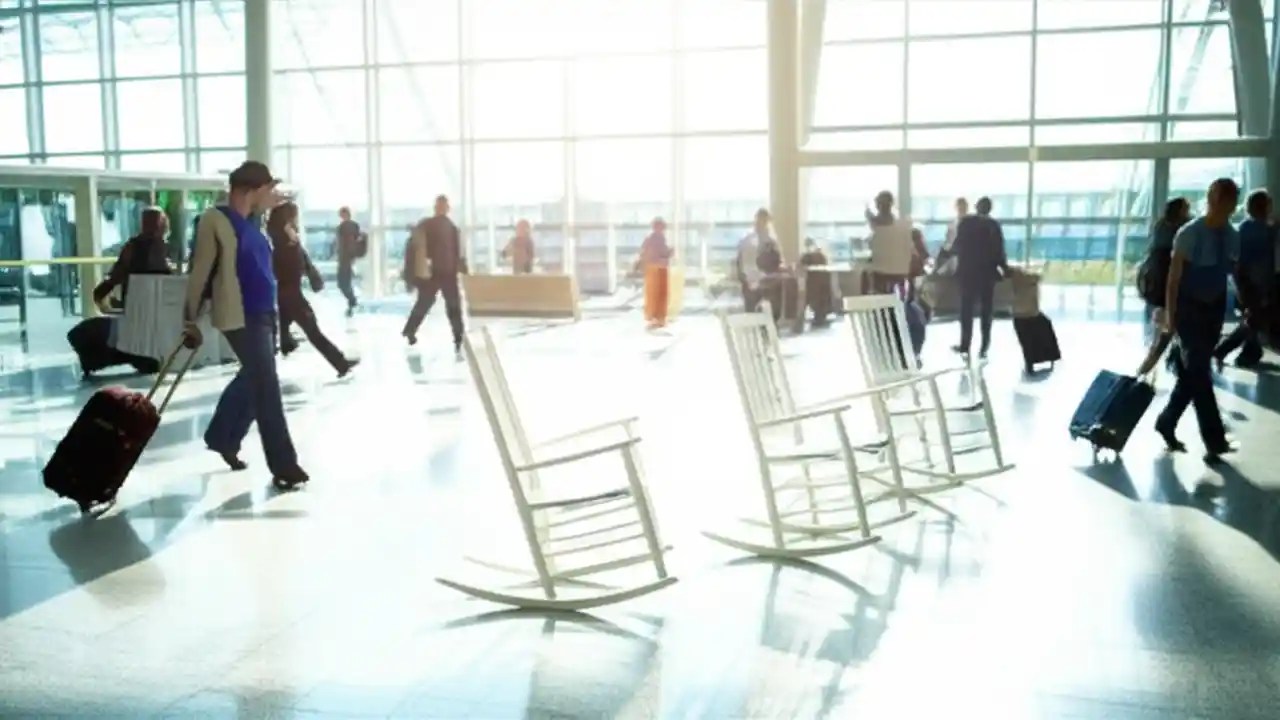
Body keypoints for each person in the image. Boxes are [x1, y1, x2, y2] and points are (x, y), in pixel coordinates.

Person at [181, 161, 309, 490]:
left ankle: (223, 435)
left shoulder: (254, 224)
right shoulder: (216, 220)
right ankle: (285, 465)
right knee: (266, 387)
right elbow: (200, 271)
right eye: (269, 189)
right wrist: (188, 318)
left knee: (255, 378)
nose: (273, 195)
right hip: (241, 316)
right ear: (250, 190)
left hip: (265, 313)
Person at [1156, 177, 1241, 463]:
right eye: (1216, 197)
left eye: (1226, 199)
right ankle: (1214, 438)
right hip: (1189, 309)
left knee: (1194, 372)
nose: (1219, 204)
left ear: (1232, 204)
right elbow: (1174, 278)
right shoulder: (1190, 233)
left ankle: (1167, 421)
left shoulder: (1231, 235)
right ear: (1209, 198)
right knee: (1199, 370)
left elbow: (1233, 271)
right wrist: (1170, 315)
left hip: (1214, 308)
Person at [268, 202, 359, 378]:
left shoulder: (288, 237)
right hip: (290, 292)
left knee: (288, 328)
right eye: (293, 216)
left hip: (288, 291)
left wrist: (311, 274)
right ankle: (340, 363)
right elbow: (291, 263)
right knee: (312, 329)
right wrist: (310, 274)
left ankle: (285, 344)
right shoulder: (282, 240)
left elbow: (300, 258)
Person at [1214, 190, 1274, 368]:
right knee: (1254, 319)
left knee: (1255, 318)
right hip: (1257, 282)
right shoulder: (1263, 230)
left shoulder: (1243, 228)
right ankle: (1225, 349)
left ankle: (1249, 352)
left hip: (1246, 281)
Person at [402, 194, 467, 357]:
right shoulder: (449, 227)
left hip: (436, 271)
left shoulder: (432, 225)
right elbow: (456, 251)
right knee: (450, 304)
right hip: (442, 271)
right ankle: (458, 336)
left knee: (426, 302)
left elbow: (415, 245)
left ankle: (411, 330)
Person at [949, 196, 1009, 359]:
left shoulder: (966, 223)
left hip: (967, 272)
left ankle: (965, 345)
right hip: (987, 273)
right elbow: (999, 251)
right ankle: (984, 347)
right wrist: (1006, 269)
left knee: (966, 310)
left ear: (976, 207)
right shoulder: (994, 226)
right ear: (990, 209)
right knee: (986, 310)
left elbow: (956, 246)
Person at [93, 207, 172, 309]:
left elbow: (117, 275)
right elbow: (117, 274)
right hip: (145, 305)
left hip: (142, 306)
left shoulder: (136, 246)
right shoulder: (136, 247)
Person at [1140, 198, 1193, 345]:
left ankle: (1156, 338)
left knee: (1160, 306)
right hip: (1171, 269)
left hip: (1156, 271)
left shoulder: (1160, 225)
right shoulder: (1183, 228)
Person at [737, 208, 785, 321]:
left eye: (765, 220)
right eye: (761, 220)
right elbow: (741, 260)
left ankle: (770, 326)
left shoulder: (771, 240)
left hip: (767, 280)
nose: (762, 223)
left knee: (769, 308)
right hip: (752, 278)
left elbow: (778, 260)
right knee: (752, 310)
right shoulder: (748, 239)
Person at [639, 217, 674, 329]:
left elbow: (643, 253)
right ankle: (657, 317)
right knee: (658, 294)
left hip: (653, 269)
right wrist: (670, 252)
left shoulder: (650, 239)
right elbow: (661, 253)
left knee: (655, 294)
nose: (663, 228)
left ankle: (655, 317)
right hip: (658, 269)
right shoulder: (656, 239)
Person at [334, 207, 364, 317]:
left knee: (342, 282)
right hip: (347, 258)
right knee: (344, 282)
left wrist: (346, 254)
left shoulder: (345, 227)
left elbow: (346, 243)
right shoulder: (352, 227)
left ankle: (352, 301)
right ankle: (352, 301)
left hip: (345, 258)